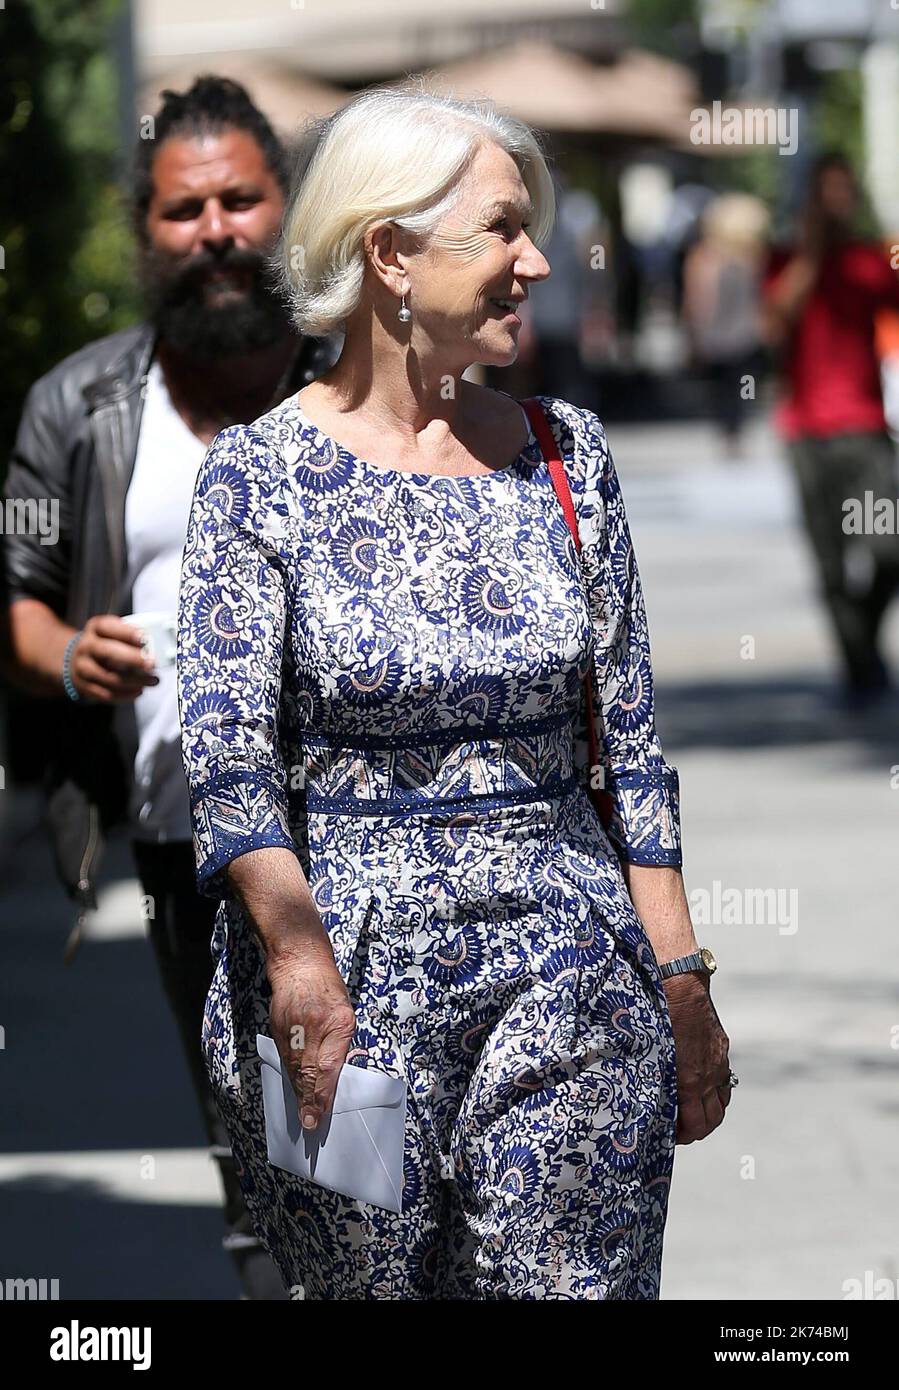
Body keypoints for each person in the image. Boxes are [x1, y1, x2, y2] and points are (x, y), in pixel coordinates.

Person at [177, 84, 732, 1301]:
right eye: (498, 230)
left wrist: (681, 979)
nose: (534, 260)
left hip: (570, 977)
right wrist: (297, 958)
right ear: (387, 253)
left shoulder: (565, 455)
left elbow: (631, 749)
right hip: (348, 994)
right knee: (370, 1291)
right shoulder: (255, 480)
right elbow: (226, 763)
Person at [2, 74, 339, 1298]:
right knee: (254, 1148)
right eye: (182, 211)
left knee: (371, 1138)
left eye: (239, 201)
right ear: (145, 229)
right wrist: (62, 655)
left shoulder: (356, 377)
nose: (215, 234)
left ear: (281, 206)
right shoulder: (77, 409)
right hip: (181, 848)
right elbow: (16, 591)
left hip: (360, 833)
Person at [762, 152, 899, 703]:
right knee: (830, 562)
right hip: (806, 430)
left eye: (846, 191)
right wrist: (812, 253)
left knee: (890, 548)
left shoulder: (871, 260)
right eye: (828, 192)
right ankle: (860, 671)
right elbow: (773, 322)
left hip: (864, 425)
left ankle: (861, 642)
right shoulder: (784, 258)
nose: (838, 202)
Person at [682, 193, 769, 455]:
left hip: (724, 334)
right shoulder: (750, 256)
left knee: (726, 387)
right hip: (740, 334)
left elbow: (698, 298)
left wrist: (695, 332)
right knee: (738, 385)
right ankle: (734, 429)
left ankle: (730, 429)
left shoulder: (707, 256)